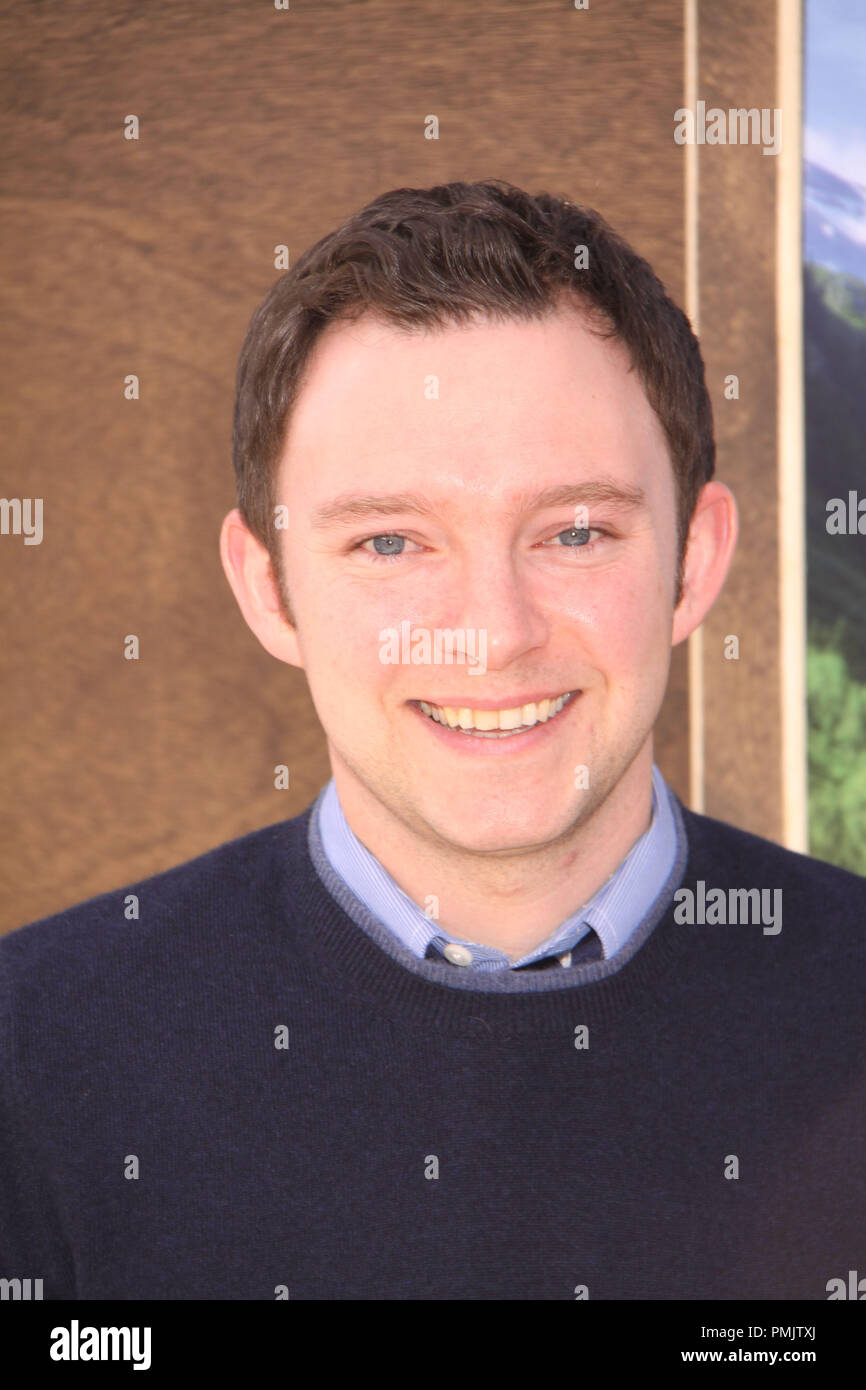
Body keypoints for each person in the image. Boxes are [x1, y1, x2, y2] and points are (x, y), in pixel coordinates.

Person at [1, 180, 863, 1301]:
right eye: (391, 543)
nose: (489, 638)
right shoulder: (32, 1057)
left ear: (693, 565)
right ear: (268, 589)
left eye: (575, 530)